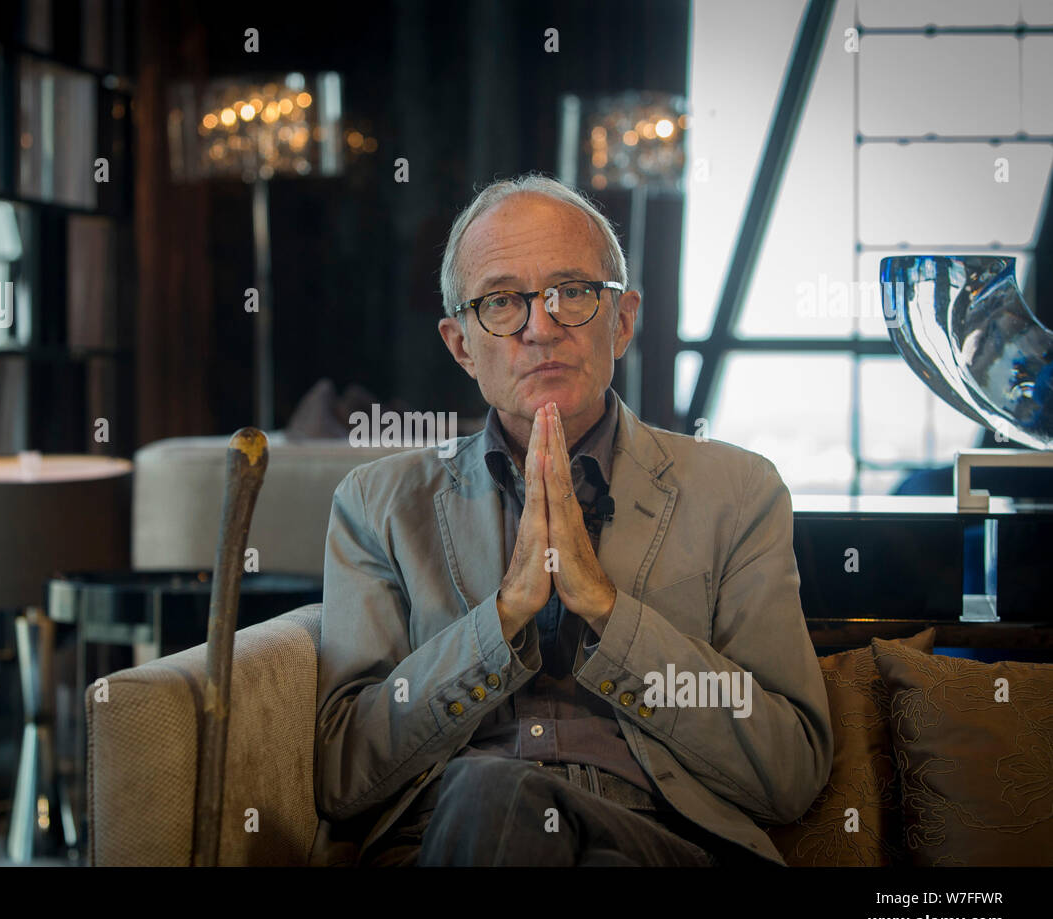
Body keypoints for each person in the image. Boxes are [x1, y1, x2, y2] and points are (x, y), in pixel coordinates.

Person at [311, 172, 832, 866]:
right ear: (462, 345)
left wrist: (606, 611)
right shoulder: (377, 505)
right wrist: (502, 619)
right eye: (502, 301)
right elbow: (347, 773)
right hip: (453, 835)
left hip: (663, 835)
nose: (541, 325)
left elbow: (788, 771)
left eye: (573, 293)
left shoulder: (739, 492)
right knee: (492, 796)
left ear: (622, 320)